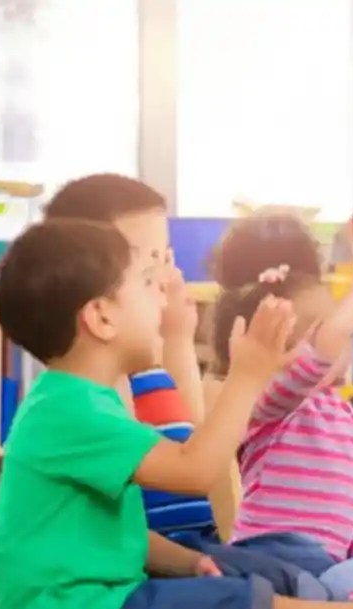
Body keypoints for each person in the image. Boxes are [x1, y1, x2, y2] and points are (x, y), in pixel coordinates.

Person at [0, 219, 353, 609]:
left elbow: (118, 534)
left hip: (102, 600)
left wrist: (188, 562)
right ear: (102, 317)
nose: (164, 296)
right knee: (229, 605)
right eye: (147, 282)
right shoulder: (70, 411)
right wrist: (248, 375)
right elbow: (195, 470)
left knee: (245, 564)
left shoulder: (82, 402)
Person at [205, 219, 353, 600]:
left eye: (338, 331)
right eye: (317, 334)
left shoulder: (345, 417)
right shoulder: (267, 404)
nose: (337, 341)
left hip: (328, 566)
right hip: (270, 554)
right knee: (319, 584)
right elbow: (311, 365)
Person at [44, 174, 220, 538]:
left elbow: (192, 431)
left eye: (166, 256)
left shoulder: (148, 361)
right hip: (147, 560)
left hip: (196, 542)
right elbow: (188, 470)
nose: (165, 276)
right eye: (148, 261)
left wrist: (178, 338)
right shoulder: (99, 375)